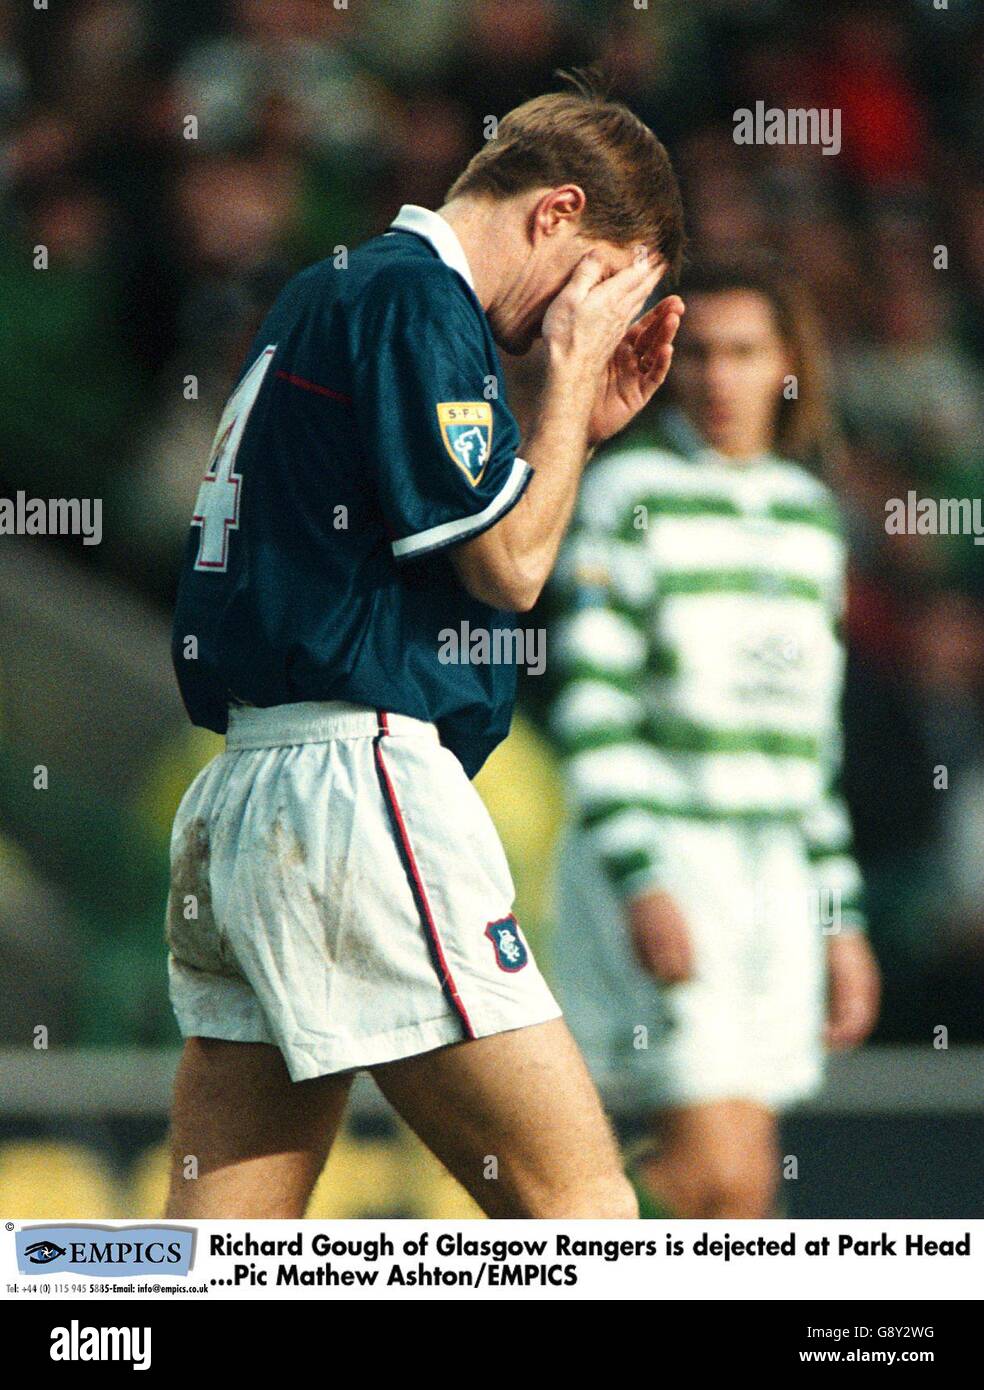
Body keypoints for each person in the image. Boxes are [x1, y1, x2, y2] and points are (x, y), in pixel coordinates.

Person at [162, 79, 685, 1219]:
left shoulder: (330, 287)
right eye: (608, 277)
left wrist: (561, 420)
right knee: (584, 1220)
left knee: (216, 1252)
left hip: (252, 790)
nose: (591, 313)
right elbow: (510, 568)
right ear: (556, 212)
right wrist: (575, 375)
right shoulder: (418, 301)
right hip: (357, 785)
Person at [547, 254, 880, 1219]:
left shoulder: (811, 517)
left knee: (744, 1181)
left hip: (776, 877)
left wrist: (840, 918)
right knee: (699, 1166)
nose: (718, 377)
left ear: (788, 366)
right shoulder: (630, 494)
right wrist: (644, 876)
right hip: (670, 851)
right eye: (699, 355)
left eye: (743, 352)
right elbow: (592, 706)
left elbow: (807, 753)